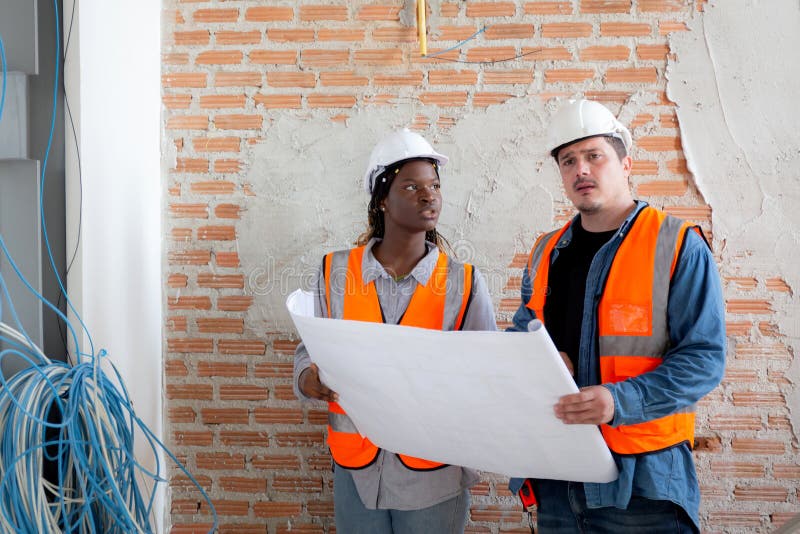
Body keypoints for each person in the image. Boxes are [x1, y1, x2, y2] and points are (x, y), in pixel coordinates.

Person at [508, 99, 726, 533]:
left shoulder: (676, 244)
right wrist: (540, 362)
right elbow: (522, 334)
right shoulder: (546, 250)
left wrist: (618, 401)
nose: (580, 170)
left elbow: (703, 358)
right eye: (568, 161)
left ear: (626, 164)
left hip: (642, 487)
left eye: (594, 156)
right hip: (559, 478)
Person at [293, 129, 497, 534]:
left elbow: (489, 373)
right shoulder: (335, 271)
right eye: (412, 186)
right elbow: (308, 349)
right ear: (382, 199)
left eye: (434, 185)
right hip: (357, 471)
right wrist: (308, 378)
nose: (429, 195)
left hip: (434, 473)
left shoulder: (463, 282)